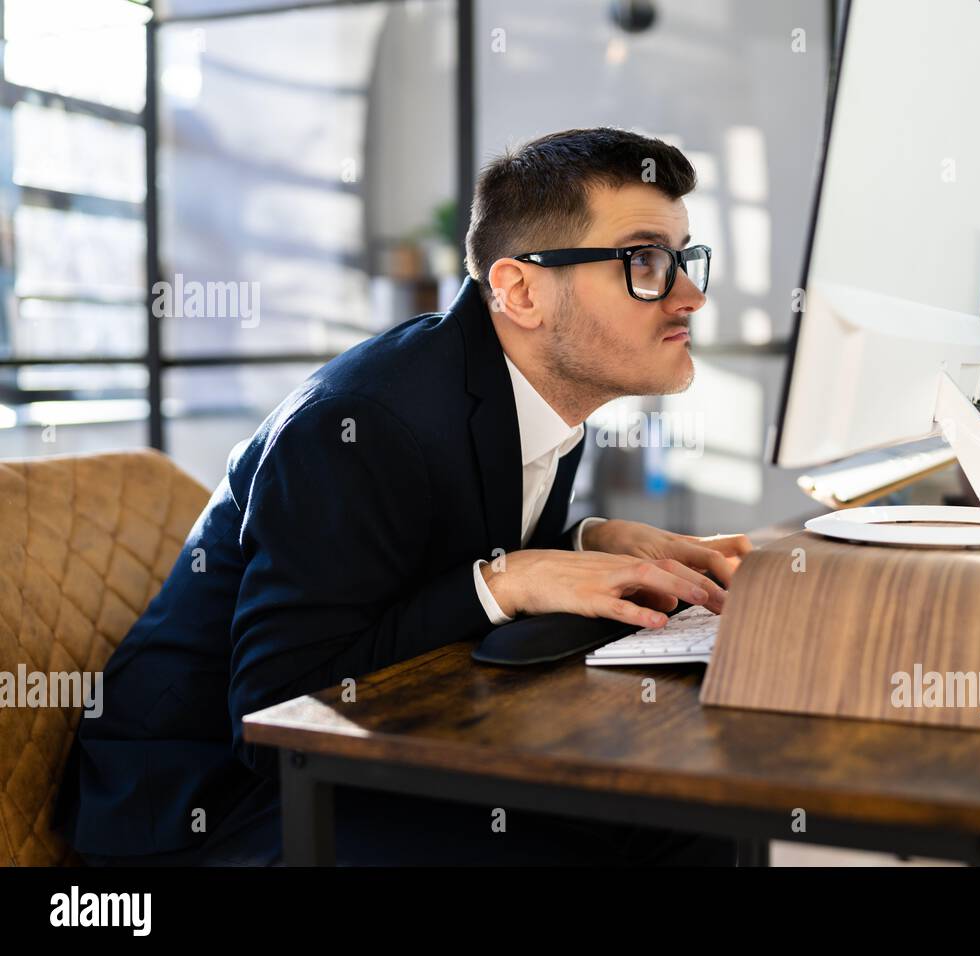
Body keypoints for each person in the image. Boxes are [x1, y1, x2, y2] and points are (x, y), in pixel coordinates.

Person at [53, 126, 752, 866]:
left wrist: (583, 541)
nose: (690, 296)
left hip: (371, 749)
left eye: (684, 259)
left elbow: (441, 541)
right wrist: (506, 579)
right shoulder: (359, 428)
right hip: (203, 804)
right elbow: (274, 714)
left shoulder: (532, 389)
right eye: (645, 262)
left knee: (692, 809)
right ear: (520, 290)